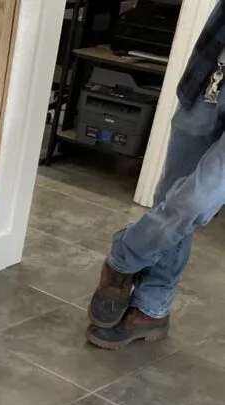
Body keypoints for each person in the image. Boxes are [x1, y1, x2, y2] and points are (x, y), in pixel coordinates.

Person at [87, 2, 225, 349]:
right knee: (171, 195)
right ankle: (153, 309)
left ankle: (123, 258)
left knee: (194, 200)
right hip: (212, 78)